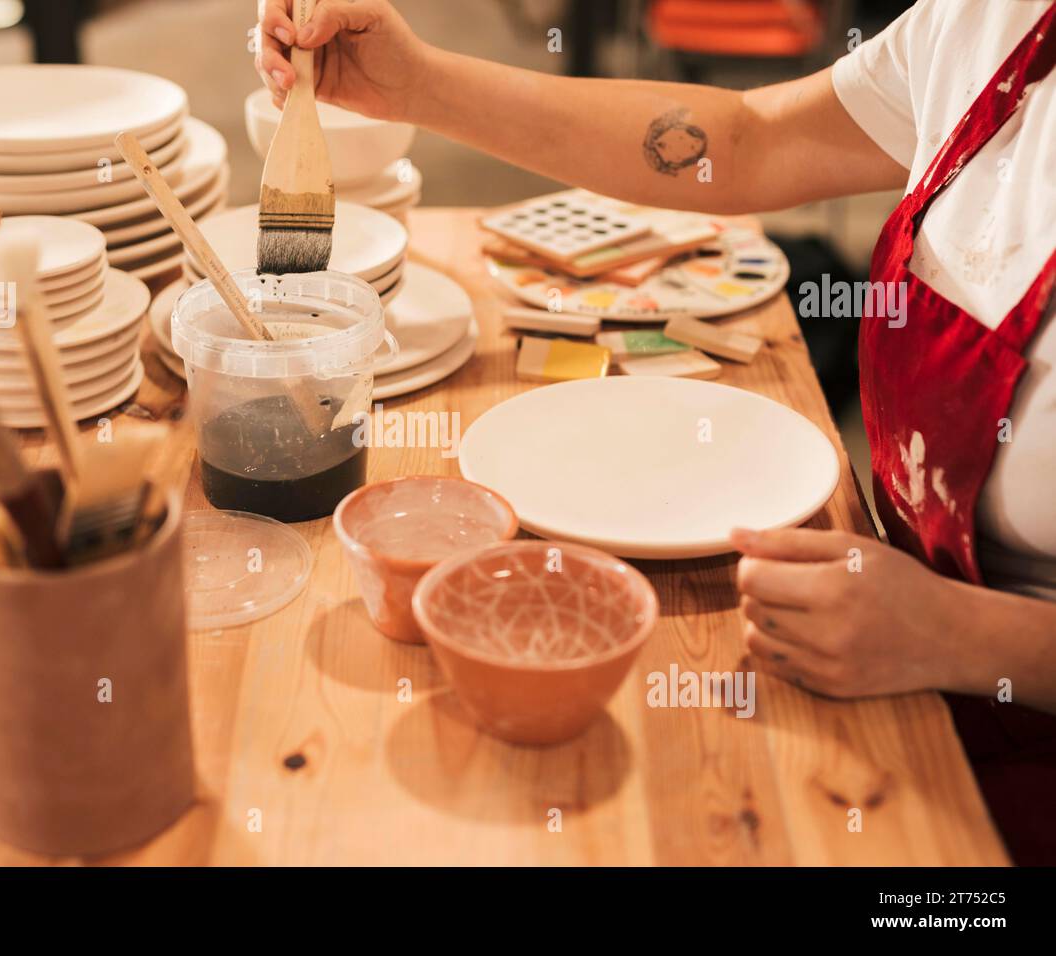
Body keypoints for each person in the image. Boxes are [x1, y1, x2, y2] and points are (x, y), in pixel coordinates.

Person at [257, 0, 1056, 862]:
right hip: (875, 646)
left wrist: (960, 637)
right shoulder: (996, 19)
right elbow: (748, 139)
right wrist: (418, 84)